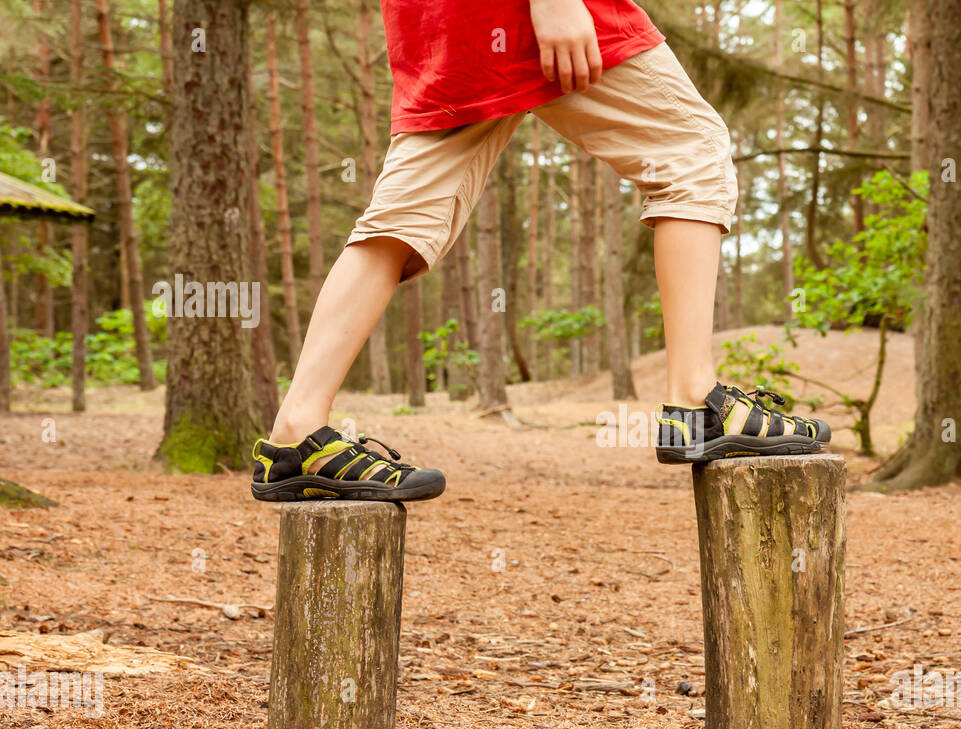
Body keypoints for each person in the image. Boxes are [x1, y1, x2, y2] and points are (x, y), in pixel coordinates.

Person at [250, 0, 831, 503]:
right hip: (520, 13)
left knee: (403, 215)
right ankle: (695, 400)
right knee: (691, 153)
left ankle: (297, 429)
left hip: (437, 19)